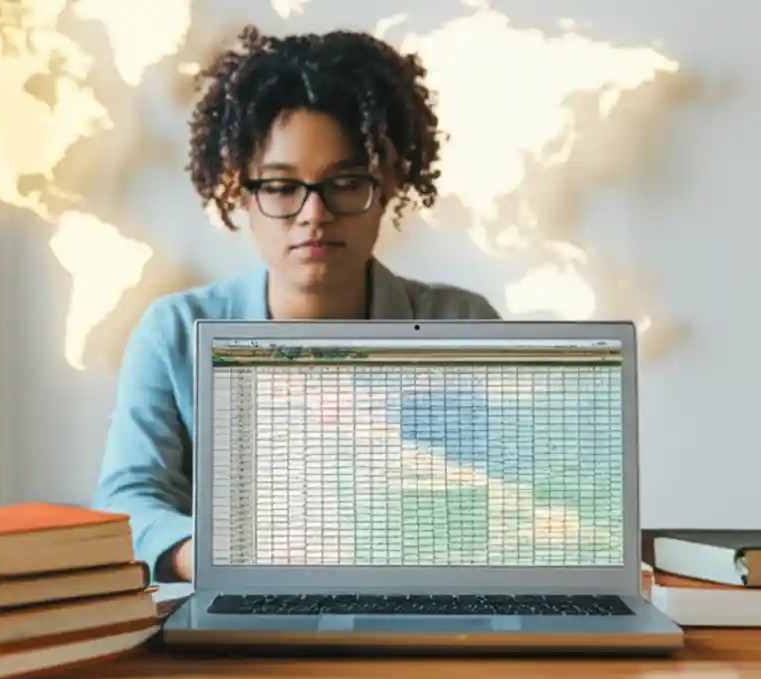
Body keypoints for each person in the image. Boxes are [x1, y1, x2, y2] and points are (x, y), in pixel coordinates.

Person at [92, 25, 499, 584]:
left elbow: (514, 500)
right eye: (282, 187)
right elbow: (128, 500)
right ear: (238, 189)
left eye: (346, 182)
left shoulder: (462, 325)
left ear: (389, 183)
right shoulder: (175, 333)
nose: (315, 215)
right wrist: (219, 558)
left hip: (420, 608)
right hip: (238, 610)